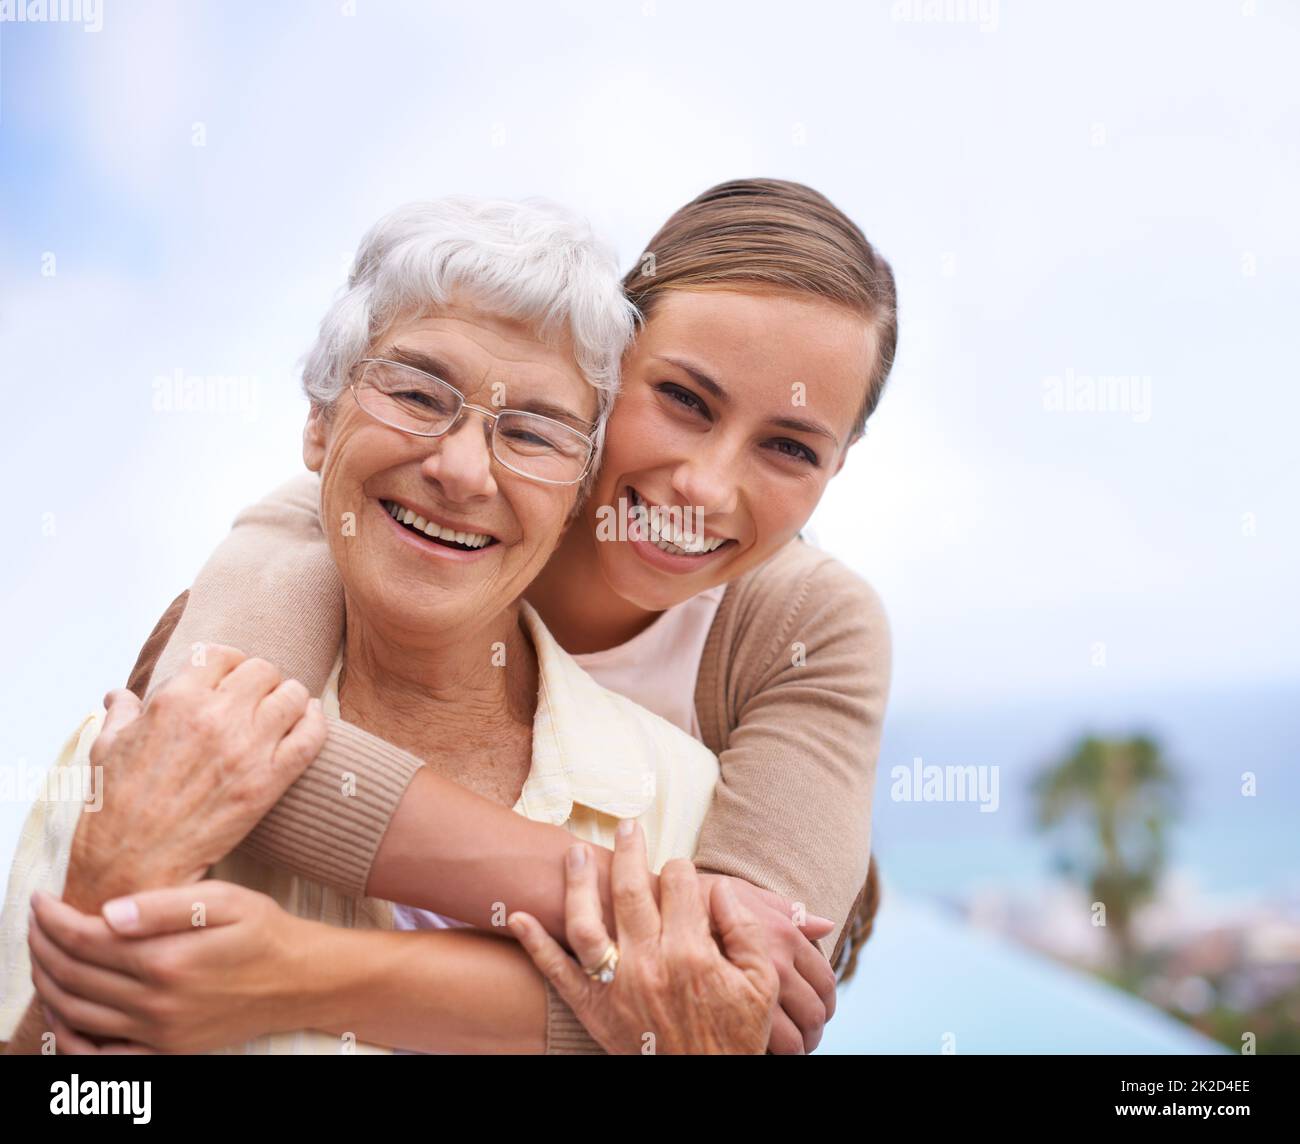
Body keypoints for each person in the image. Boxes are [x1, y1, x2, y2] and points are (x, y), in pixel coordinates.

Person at [21, 178, 897, 1054]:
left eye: (790, 446)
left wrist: (288, 975)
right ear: (607, 372)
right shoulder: (351, 517)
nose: (706, 484)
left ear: (839, 467)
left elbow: (743, 992)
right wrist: (624, 907)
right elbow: (204, 755)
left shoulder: (808, 628)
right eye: (683, 400)